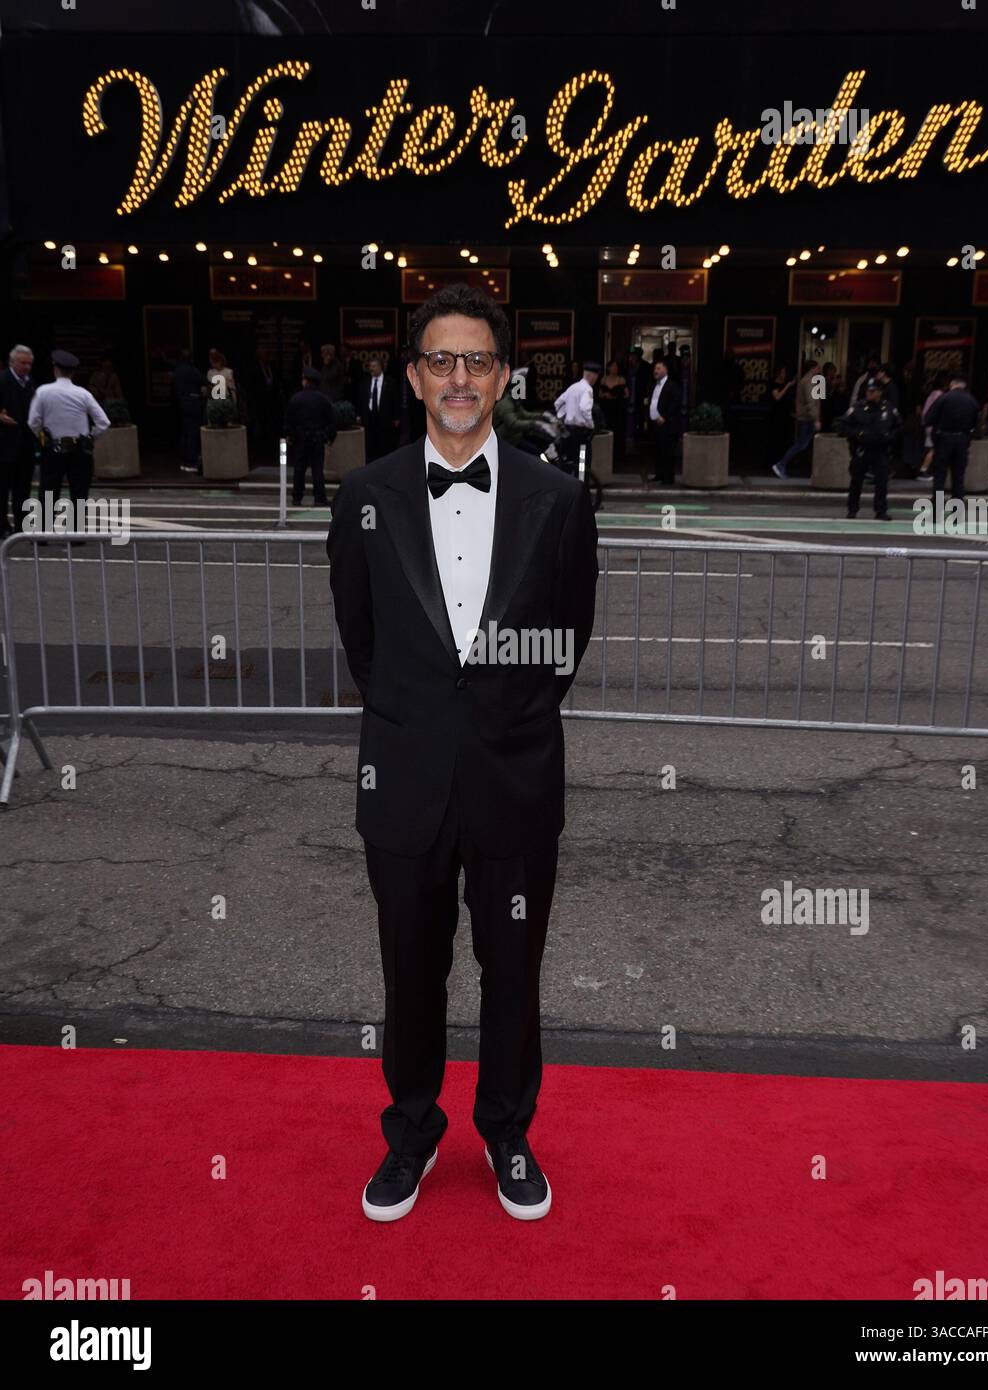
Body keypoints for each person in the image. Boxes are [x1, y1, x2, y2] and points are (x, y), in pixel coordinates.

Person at [326, 282, 599, 1223]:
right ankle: (410, 1132)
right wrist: (422, 718)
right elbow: (362, 642)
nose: (458, 377)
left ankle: (508, 1130)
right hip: (402, 779)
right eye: (439, 359)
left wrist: (501, 716)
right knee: (409, 970)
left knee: (513, 969)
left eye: (476, 360)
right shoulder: (363, 497)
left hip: (515, 778)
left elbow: (565, 642)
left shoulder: (559, 499)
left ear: (504, 376)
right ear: (412, 376)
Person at [27, 350, 110, 537]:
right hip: (79, 449)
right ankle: (76, 534)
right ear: (73, 372)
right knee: (79, 492)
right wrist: (90, 437)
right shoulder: (83, 394)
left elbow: (33, 421)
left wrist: (43, 436)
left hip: (53, 447)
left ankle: (43, 533)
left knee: (48, 491)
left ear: (55, 369)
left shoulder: (43, 392)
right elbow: (103, 422)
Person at [836, 378, 900, 520]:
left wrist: (889, 437)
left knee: (882, 482)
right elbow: (841, 425)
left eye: (873, 391)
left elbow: (898, 427)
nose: (869, 394)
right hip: (862, 449)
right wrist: (857, 435)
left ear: (880, 392)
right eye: (868, 391)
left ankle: (880, 510)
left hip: (881, 450)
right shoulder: (858, 407)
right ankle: (852, 509)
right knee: (856, 481)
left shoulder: (888, 409)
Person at [923, 374, 979, 514]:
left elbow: (928, 419)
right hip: (962, 440)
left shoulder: (944, 398)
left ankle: (936, 511)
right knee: (958, 477)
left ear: (952, 384)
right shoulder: (971, 401)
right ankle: (957, 512)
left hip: (944, 439)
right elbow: (976, 424)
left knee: (940, 477)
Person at [284, 365, 336, 506]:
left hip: (300, 438)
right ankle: (319, 498)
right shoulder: (323, 399)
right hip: (317, 438)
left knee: (299, 468)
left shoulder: (296, 398)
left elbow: (289, 419)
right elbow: (331, 420)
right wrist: (330, 437)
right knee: (317, 469)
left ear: (305, 381)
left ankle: (297, 497)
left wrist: (289, 435)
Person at [0, 343, 37, 536]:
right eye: (23, 363)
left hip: (25, 445)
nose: (26, 367)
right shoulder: (3, 380)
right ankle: (3, 526)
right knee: (3, 487)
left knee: (22, 489)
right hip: (4, 445)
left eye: (29, 364)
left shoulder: (29, 382)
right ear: (12, 362)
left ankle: (22, 526)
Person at [772, 359, 821, 479]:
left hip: (808, 417)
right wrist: (816, 419)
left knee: (804, 444)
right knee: (801, 444)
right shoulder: (808, 381)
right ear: (812, 369)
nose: (819, 370)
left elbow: (817, 400)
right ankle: (781, 464)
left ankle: (783, 465)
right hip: (807, 418)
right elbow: (810, 401)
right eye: (817, 368)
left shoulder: (812, 381)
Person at [554, 360, 600, 467]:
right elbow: (584, 409)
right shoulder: (587, 389)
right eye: (596, 376)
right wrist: (590, 425)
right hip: (581, 434)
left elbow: (558, 403)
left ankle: (570, 483)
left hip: (568, 431)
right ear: (592, 376)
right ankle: (581, 483)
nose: (596, 379)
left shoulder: (573, 387)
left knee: (570, 462)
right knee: (582, 463)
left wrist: (566, 415)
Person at [646, 358, 681, 484]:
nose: (655, 371)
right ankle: (659, 474)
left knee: (668, 452)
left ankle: (668, 478)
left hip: (668, 424)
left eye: (658, 368)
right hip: (655, 424)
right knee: (658, 451)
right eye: (655, 369)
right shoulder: (653, 385)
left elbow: (676, 403)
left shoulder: (672, 385)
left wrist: (664, 416)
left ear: (666, 370)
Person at [359, 354, 399, 461]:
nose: (371, 368)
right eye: (370, 366)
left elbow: (395, 400)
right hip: (370, 418)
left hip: (385, 418)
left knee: (385, 446)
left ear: (381, 367)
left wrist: (396, 417)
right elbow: (362, 400)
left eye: (374, 366)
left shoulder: (390, 382)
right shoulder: (365, 381)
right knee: (370, 446)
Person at [171, 349, 206, 475]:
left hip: (182, 403)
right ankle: (191, 461)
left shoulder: (177, 370)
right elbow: (203, 380)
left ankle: (184, 460)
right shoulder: (191, 370)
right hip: (193, 403)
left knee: (185, 432)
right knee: (192, 432)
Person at [597, 358, 628, 469]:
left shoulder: (621, 379)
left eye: (616, 366)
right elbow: (599, 395)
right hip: (607, 410)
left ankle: (617, 460)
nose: (615, 368)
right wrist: (605, 396)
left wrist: (616, 396)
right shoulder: (603, 380)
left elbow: (626, 394)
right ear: (608, 368)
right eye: (612, 366)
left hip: (617, 410)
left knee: (618, 434)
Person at [918, 372, 950, 479]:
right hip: (934, 425)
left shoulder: (932, 394)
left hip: (928, 424)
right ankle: (924, 470)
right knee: (934, 449)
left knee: (932, 449)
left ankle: (927, 469)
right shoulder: (939, 395)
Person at [767, 364, 795, 465]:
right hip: (776, 414)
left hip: (785, 414)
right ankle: (772, 461)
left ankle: (782, 460)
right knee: (775, 437)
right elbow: (777, 397)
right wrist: (787, 386)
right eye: (782, 372)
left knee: (784, 438)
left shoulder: (785, 383)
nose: (784, 374)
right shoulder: (773, 383)